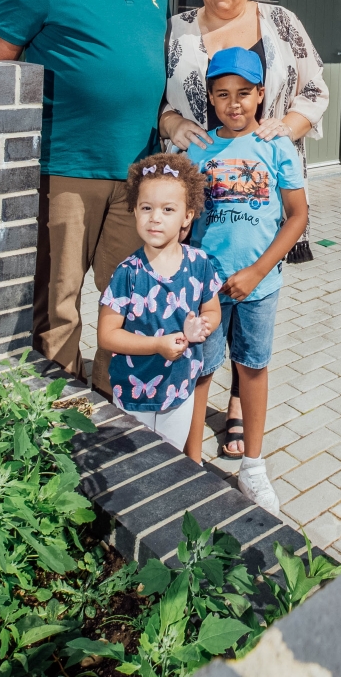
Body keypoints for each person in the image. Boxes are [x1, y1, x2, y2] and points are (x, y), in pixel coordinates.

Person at [0, 0, 169, 394]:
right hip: (66, 166)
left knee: (124, 300)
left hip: (135, 173)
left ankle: (115, 404)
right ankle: (56, 414)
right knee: (59, 302)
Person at [159, 0, 330, 458]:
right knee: (209, 306)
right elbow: (146, 92)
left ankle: (239, 409)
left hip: (264, 188)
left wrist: (285, 129)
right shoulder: (178, 30)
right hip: (202, 188)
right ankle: (192, 426)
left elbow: (315, 87)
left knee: (253, 307)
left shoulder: (279, 22)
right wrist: (169, 121)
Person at [188, 47, 309, 514]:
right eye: (222, 94)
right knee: (200, 370)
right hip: (207, 289)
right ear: (211, 98)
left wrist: (258, 270)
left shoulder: (276, 145)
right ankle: (190, 458)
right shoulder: (197, 148)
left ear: (261, 94)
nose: (233, 103)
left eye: (243, 93)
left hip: (260, 287)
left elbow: (296, 217)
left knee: (253, 368)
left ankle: (253, 469)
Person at [97, 155, 223, 457]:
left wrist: (202, 327)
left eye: (168, 210)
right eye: (146, 208)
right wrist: (156, 345)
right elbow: (106, 335)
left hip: (180, 388)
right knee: (136, 461)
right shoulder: (127, 272)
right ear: (134, 211)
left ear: (187, 216)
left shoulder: (200, 264)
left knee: (170, 459)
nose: (155, 217)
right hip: (132, 392)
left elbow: (213, 310)